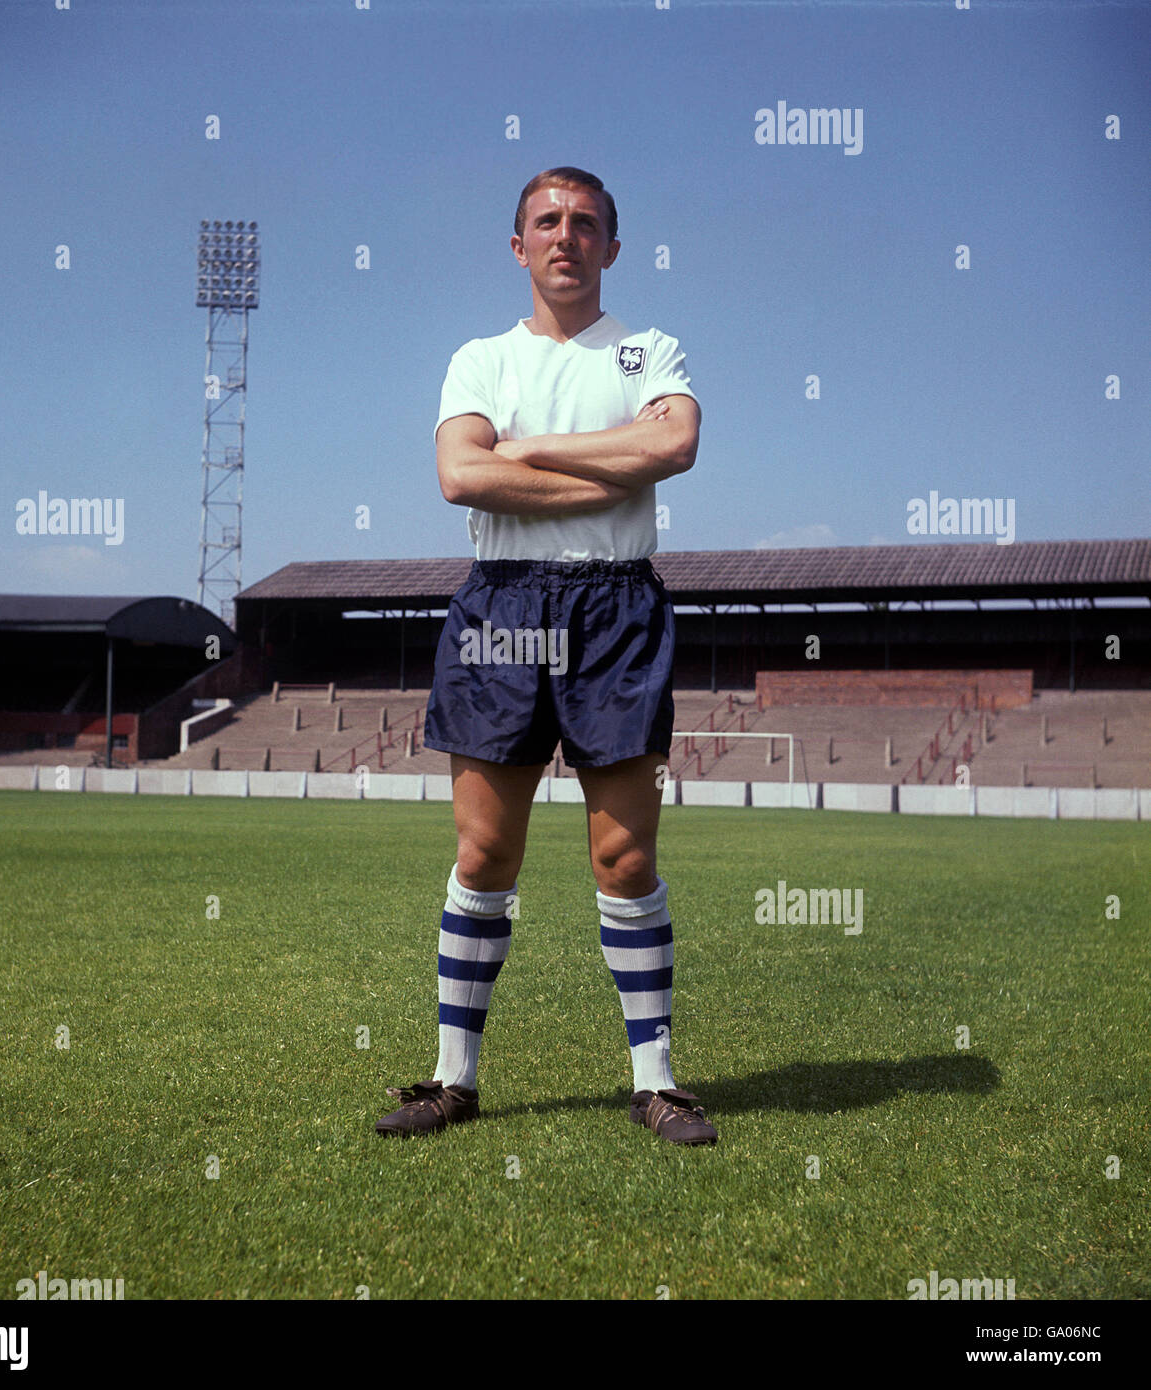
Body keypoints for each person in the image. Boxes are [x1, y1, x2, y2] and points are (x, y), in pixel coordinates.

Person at [376, 167, 716, 1145]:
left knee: (623, 854)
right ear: (516, 245)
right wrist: (608, 466)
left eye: (584, 223)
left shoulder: (651, 350)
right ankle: (452, 1080)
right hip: (502, 606)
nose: (564, 235)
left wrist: (526, 452)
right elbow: (456, 474)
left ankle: (654, 1081)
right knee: (484, 851)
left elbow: (677, 443)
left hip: (616, 609)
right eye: (545, 221)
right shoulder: (479, 359)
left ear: (611, 246)